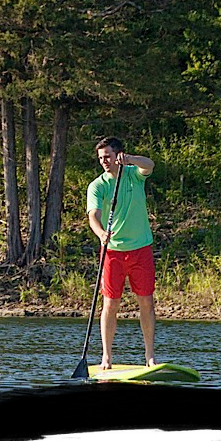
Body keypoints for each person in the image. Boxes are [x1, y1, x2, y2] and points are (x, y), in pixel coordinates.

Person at [86, 136, 157, 368]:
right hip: (113, 251)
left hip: (140, 248)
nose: (104, 161)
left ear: (118, 155)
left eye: (107, 156)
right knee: (110, 304)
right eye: (101, 158)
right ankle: (106, 357)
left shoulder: (133, 175)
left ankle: (149, 356)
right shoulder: (98, 185)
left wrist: (130, 159)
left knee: (146, 301)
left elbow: (149, 165)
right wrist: (100, 233)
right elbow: (93, 215)